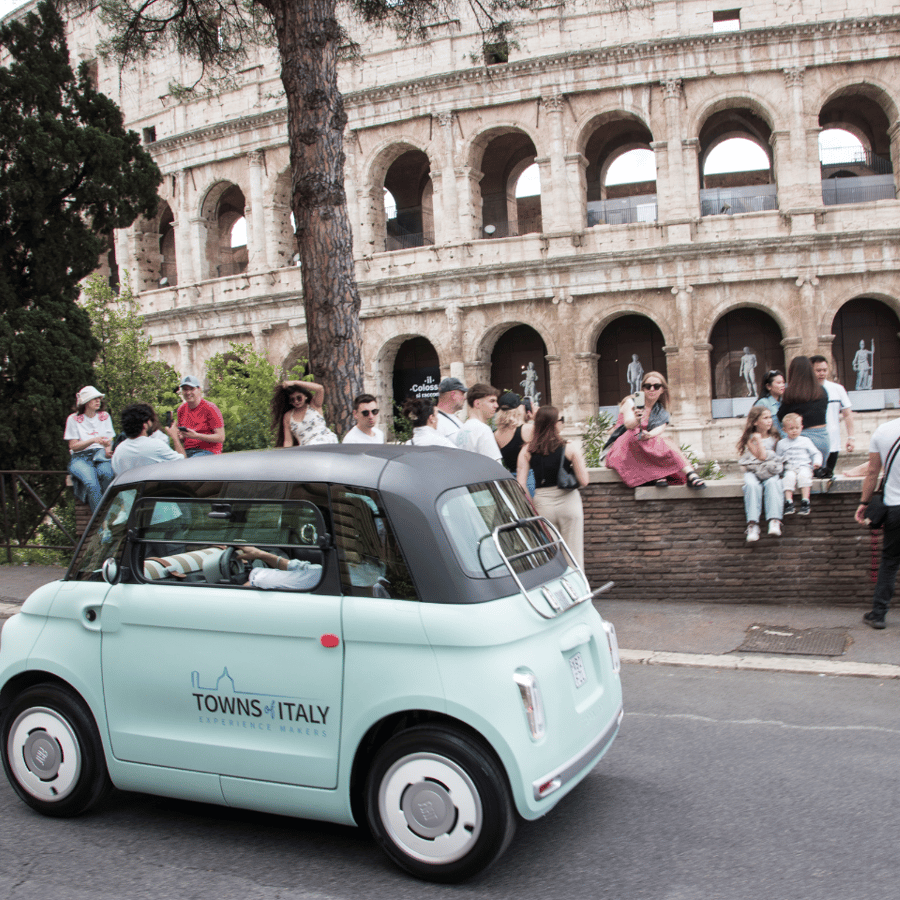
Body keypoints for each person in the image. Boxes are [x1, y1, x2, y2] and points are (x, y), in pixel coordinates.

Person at [604, 371, 706, 489]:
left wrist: (649, 434)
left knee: (664, 440)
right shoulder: (631, 402)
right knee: (635, 433)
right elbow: (628, 424)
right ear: (643, 388)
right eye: (648, 386)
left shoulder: (660, 411)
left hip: (645, 446)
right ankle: (657, 474)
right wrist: (638, 419)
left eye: (656, 386)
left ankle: (690, 474)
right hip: (622, 448)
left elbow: (659, 429)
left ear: (662, 389)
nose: (652, 389)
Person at [516, 406, 589, 567]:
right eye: (561, 420)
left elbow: (521, 484)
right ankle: (578, 589)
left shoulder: (527, 450)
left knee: (552, 555)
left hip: (543, 504)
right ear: (554, 424)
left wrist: (531, 505)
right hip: (569, 502)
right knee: (574, 553)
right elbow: (584, 480)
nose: (562, 423)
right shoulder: (569, 447)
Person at [855, 410, 900, 629]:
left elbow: (872, 472)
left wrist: (864, 503)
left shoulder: (883, 431)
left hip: (895, 508)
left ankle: (879, 614)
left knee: (890, 562)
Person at [64, 386, 115, 512]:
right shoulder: (73, 419)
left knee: (108, 475)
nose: (98, 401)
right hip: (80, 457)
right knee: (91, 483)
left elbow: (109, 439)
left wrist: (108, 451)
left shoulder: (105, 416)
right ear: (85, 402)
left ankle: (110, 515)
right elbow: (73, 446)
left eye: (99, 398)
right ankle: (101, 524)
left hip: (101, 454)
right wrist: (93, 440)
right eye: (94, 398)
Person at [737, 406, 784, 542]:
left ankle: (774, 520)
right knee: (751, 486)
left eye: (770, 417)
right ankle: (753, 524)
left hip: (769, 470)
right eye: (765, 418)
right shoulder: (750, 438)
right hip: (754, 469)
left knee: (773, 483)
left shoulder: (775, 437)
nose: (769, 421)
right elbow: (761, 456)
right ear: (755, 422)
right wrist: (757, 439)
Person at [777, 356, 829, 462]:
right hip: (822, 437)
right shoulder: (822, 390)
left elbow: (781, 416)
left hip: (800, 439)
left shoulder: (790, 392)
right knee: (819, 475)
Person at [810, 355, 855, 477]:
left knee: (829, 474)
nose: (822, 373)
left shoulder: (837, 389)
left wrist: (851, 437)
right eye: (818, 370)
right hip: (812, 442)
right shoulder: (806, 390)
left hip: (833, 441)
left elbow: (847, 414)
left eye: (824, 370)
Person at [112, 403, 186, 475]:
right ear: (145, 425)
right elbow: (183, 463)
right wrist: (175, 437)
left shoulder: (118, 451)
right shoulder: (156, 445)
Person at [777, 412, 822, 516]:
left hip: (803, 466)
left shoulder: (805, 441)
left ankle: (805, 501)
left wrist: (816, 462)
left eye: (797, 428)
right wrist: (780, 466)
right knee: (788, 478)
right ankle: (789, 502)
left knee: (804, 476)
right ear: (785, 430)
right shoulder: (781, 443)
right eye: (791, 428)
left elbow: (816, 453)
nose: (794, 431)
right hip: (790, 468)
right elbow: (778, 458)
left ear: (801, 427)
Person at [272, 379, 338, 446]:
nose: (296, 401)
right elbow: (288, 441)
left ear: (305, 396)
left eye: (299, 398)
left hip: (326, 442)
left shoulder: (314, 405)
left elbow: (320, 388)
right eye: (292, 399)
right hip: (307, 449)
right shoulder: (288, 416)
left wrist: (295, 382)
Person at [494, 392, 536, 495]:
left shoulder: (496, 434)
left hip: (512, 480)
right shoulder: (528, 429)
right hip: (530, 477)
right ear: (518, 409)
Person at [235, 545, 322, 591]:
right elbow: (300, 567)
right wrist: (259, 554)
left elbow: (262, 579)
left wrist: (253, 577)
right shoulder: (321, 570)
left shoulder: (323, 577)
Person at [176, 376, 225, 456]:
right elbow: (182, 439)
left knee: (191, 464)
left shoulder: (210, 407)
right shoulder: (181, 409)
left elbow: (221, 437)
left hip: (207, 451)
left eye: (191, 389)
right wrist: (180, 436)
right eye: (185, 389)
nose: (188, 392)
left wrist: (197, 436)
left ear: (199, 390)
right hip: (187, 450)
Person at [455, 383, 502, 462]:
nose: (496, 405)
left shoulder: (463, 429)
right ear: (477, 403)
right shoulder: (483, 429)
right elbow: (495, 465)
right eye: (492, 401)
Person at [753, 369, 786, 439]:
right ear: (768, 386)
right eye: (779, 383)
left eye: (783, 382)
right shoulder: (763, 403)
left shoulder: (784, 402)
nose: (782, 385)